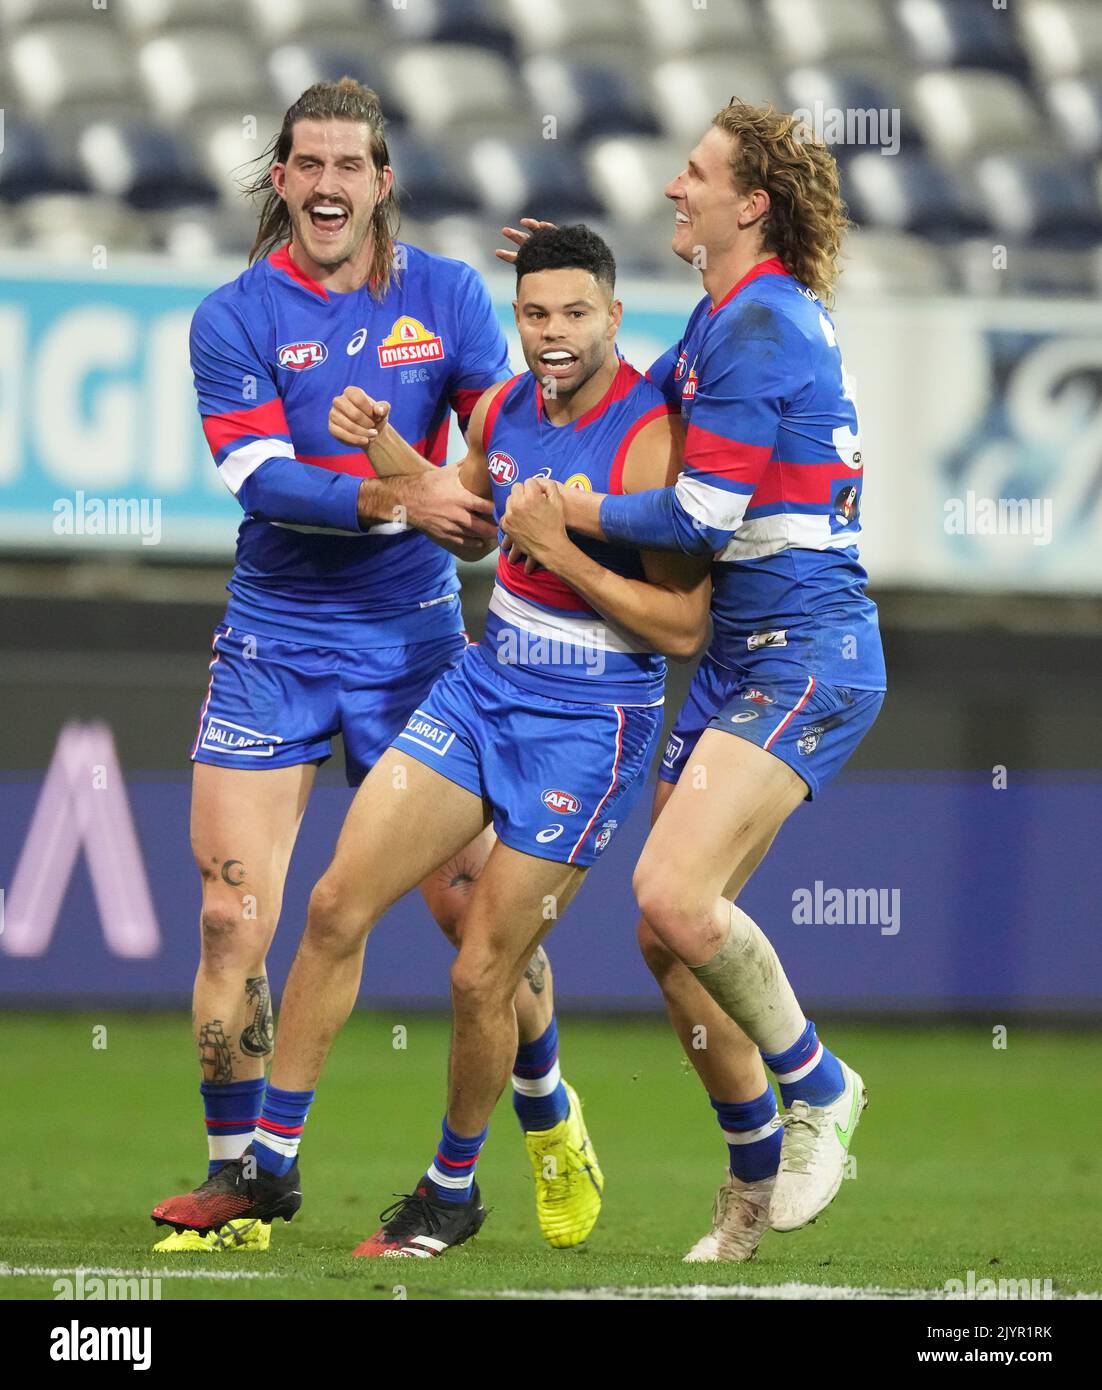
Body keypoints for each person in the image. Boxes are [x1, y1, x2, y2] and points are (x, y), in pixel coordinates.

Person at [150, 224, 712, 1258]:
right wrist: (393, 458)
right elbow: (473, 517)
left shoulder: (651, 437)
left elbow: (681, 628)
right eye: (535, 314)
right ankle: (266, 1169)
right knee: (329, 905)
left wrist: (561, 553)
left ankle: (453, 1187)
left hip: (587, 723)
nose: (551, 335)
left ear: (615, 317)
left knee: (478, 968)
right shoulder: (502, 406)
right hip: (481, 686)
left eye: (574, 314)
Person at [154, 77, 584, 1253]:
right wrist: (409, 495)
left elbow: (505, 439)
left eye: (353, 166)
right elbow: (260, 480)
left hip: (413, 649)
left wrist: (504, 459)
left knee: (475, 916)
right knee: (230, 920)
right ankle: (238, 1174)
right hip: (272, 646)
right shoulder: (233, 315)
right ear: (281, 179)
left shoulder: (444, 295)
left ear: (382, 181)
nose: (330, 185)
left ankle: (547, 1110)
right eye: (311, 165)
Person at [498, 99, 886, 1261]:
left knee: (670, 894)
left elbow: (704, 514)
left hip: (805, 650)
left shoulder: (762, 325)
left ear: (748, 203)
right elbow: (634, 392)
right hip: (736, 657)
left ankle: (822, 1086)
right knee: (668, 936)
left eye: (695, 172)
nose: (675, 186)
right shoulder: (726, 316)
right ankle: (752, 1186)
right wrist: (563, 298)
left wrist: (570, 514)